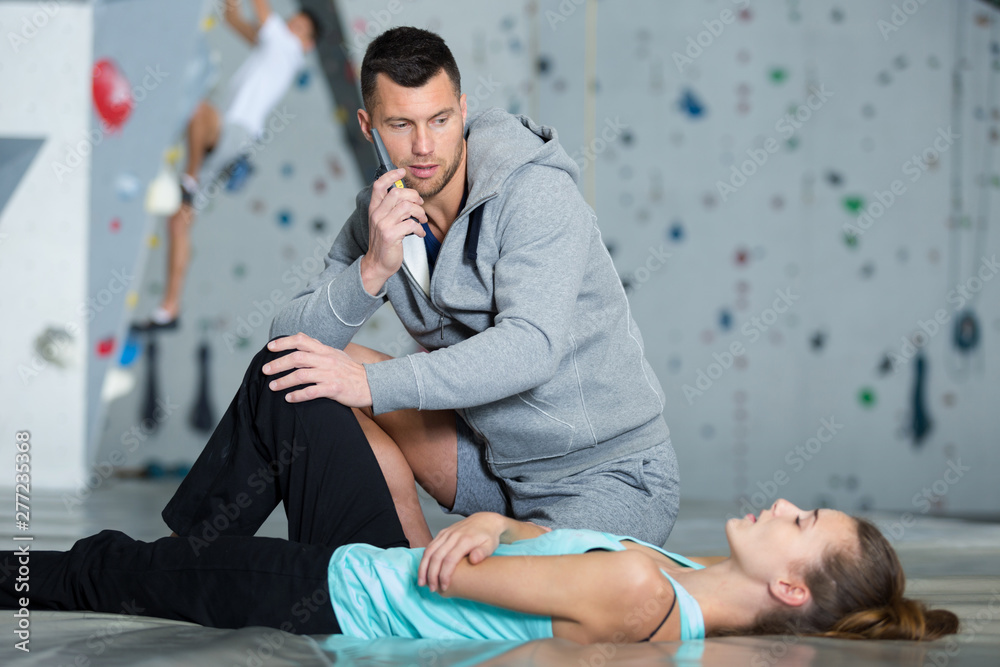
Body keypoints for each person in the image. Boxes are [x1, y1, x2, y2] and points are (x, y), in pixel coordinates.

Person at [0, 341, 958, 642]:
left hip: (344, 594)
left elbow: (452, 582)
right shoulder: (664, 571)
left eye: (802, 524)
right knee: (298, 377)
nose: (786, 505)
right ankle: (196, 551)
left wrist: (494, 532)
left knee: (113, 569)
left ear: (791, 587)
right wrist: (506, 521)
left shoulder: (640, 590)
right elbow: (485, 563)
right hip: (376, 567)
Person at [263, 26, 680, 550]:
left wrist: (372, 384)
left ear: (462, 110)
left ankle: (437, 583)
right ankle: (410, 568)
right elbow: (286, 337)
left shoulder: (533, 193)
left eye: (439, 121)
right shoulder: (380, 217)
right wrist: (370, 269)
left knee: (511, 592)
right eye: (400, 124)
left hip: (606, 474)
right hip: (496, 466)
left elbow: (531, 348)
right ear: (369, 127)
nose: (422, 146)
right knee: (299, 371)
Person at [134, 0, 321, 331]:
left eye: (300, 28)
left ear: (307, 45)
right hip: (236, 140)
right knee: (180, 220)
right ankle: (169, 308)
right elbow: (233, 16)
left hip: (235, 132)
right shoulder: (274, 49)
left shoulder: (287, 49)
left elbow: (260, 9)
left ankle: (189, 179)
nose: (291, 26)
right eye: (292, 21)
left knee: (198, 112)